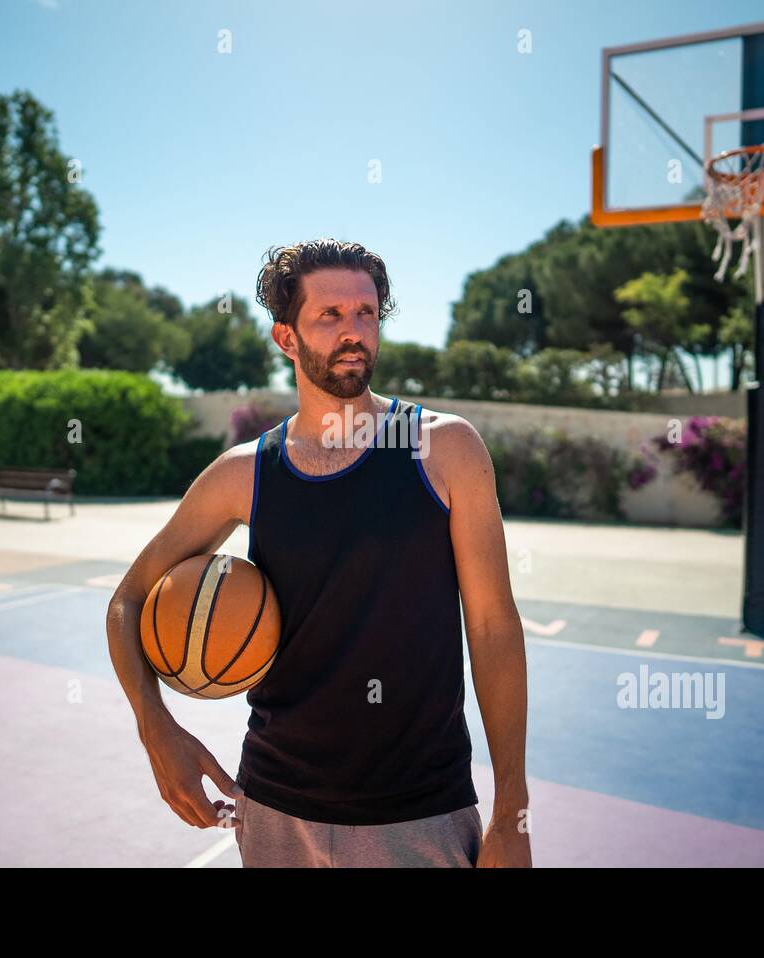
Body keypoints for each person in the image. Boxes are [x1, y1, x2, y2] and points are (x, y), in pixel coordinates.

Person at [106, 238, 531, 867]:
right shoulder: (243, 475)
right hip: (276, 810)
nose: (353, 332)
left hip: (421, 812)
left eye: (365, 313)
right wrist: (156, 727)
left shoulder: (445, 451)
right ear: (286, 338)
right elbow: (127, 601)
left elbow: (494, 629)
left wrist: (511, 810)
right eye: (329, 316)